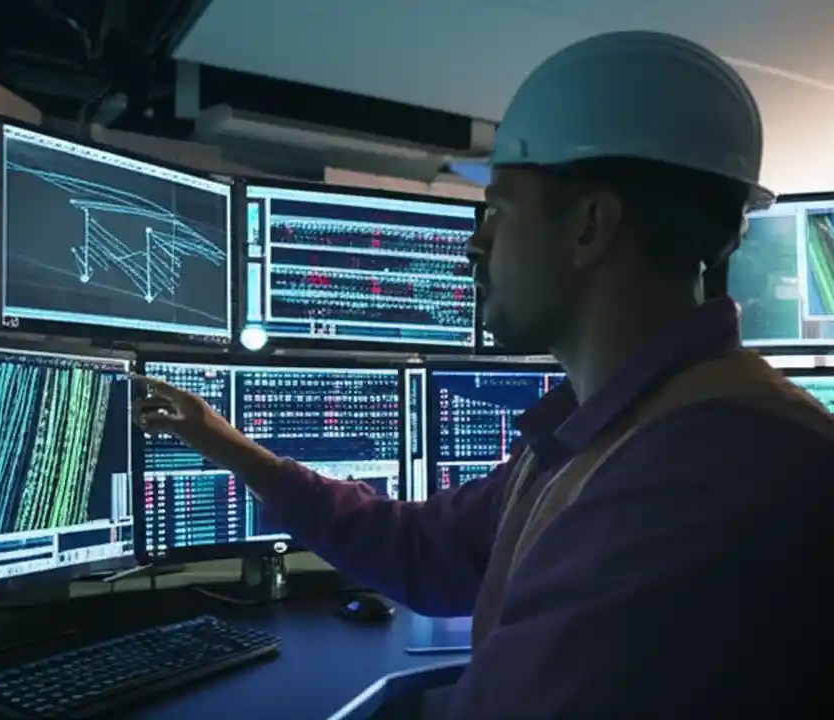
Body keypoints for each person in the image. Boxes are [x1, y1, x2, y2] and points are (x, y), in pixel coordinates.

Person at [133, 31, 834, 718]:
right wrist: (227, 444)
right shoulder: (611, 430)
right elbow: (426, 552)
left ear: (590, 226)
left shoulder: (700, 479)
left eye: (496, 211)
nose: (476, 244)